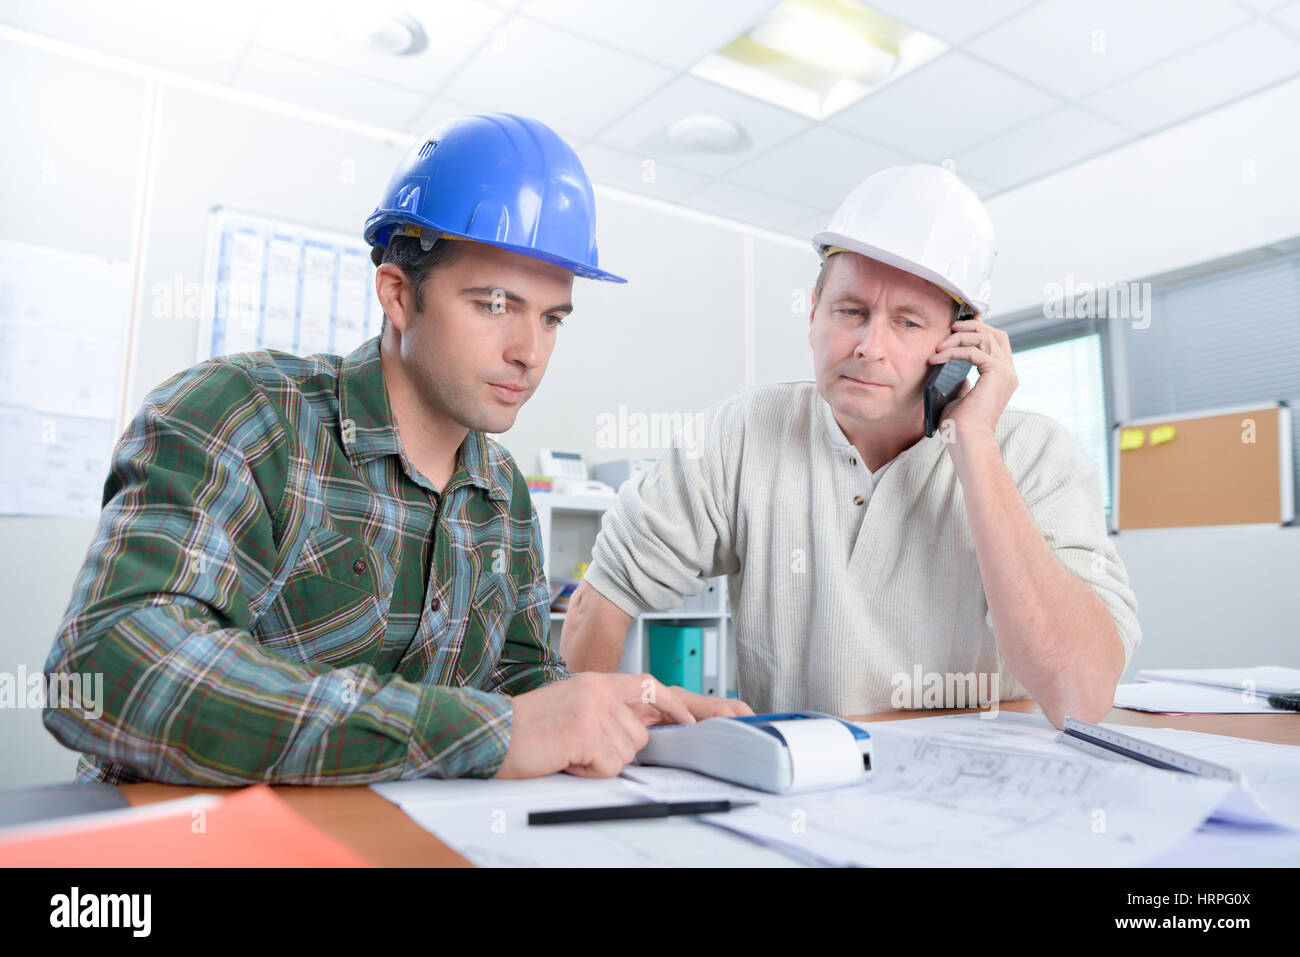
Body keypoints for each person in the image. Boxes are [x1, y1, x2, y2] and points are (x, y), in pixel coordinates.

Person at [43, 112, 747, 787]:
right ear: (398, 296)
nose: (529, 353)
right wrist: (486, 733)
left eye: (552, 318)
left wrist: (627, 722)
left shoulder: (504, 496)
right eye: (494, 304)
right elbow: (109, 667)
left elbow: (524, 694)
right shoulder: (242, 413)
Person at [561, 164, 1141, 729]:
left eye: (908, 323)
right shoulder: (739, 435)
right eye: (851, 311)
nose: (869, 345)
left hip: (982, 799)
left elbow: (1080, 694)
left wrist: (975, 446)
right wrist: (587, 744)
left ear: (961, 344)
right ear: (814, 315)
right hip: (804, 790)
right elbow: (602, 595)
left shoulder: (1039, 457)